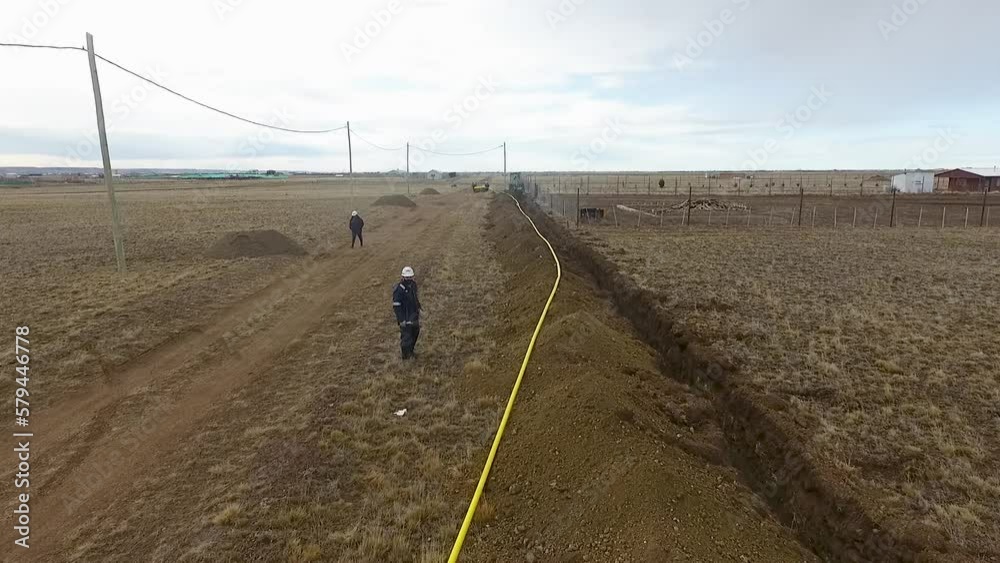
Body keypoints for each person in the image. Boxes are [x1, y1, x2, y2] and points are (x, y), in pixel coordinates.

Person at [392, 266, 421, 360]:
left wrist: (418, 309)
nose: (409, 279)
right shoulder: (399, 290)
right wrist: (401, 319)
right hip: (405, 318)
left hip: (413, 316)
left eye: (410, 277)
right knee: (406, 338)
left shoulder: (413, 285)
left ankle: (411, 352)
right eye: (407, 277)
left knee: (415, 333)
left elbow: (415, 298)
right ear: (403, 277)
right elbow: (396, 306)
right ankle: (405, 357)